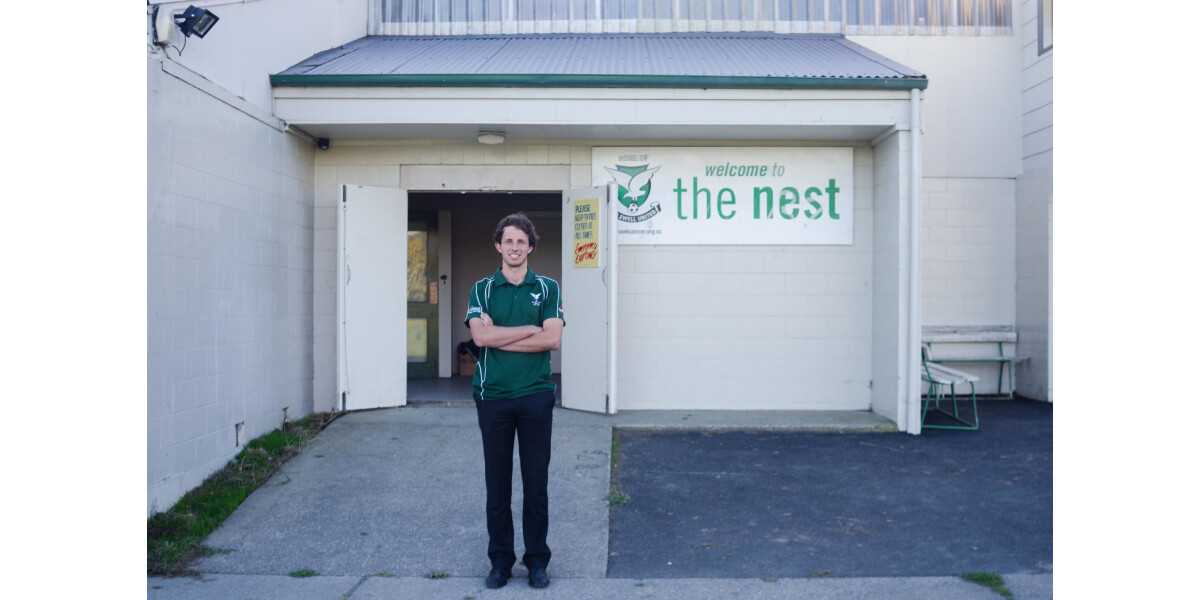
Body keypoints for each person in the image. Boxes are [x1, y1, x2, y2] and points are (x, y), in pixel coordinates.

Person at [464, 213, 564, 589]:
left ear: (530, 247)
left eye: (521, 241)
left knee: (536, 484)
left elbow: (552, 340)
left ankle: (537, 561)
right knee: (498, 485)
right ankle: (501, 561)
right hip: (493, 399)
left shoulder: (548, 288)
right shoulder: (482, 289)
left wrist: (500, 335)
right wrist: (529, 329)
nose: (515, 247)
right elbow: (481, 339)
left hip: (536, 396)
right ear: (498, 246)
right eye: (509, 241)